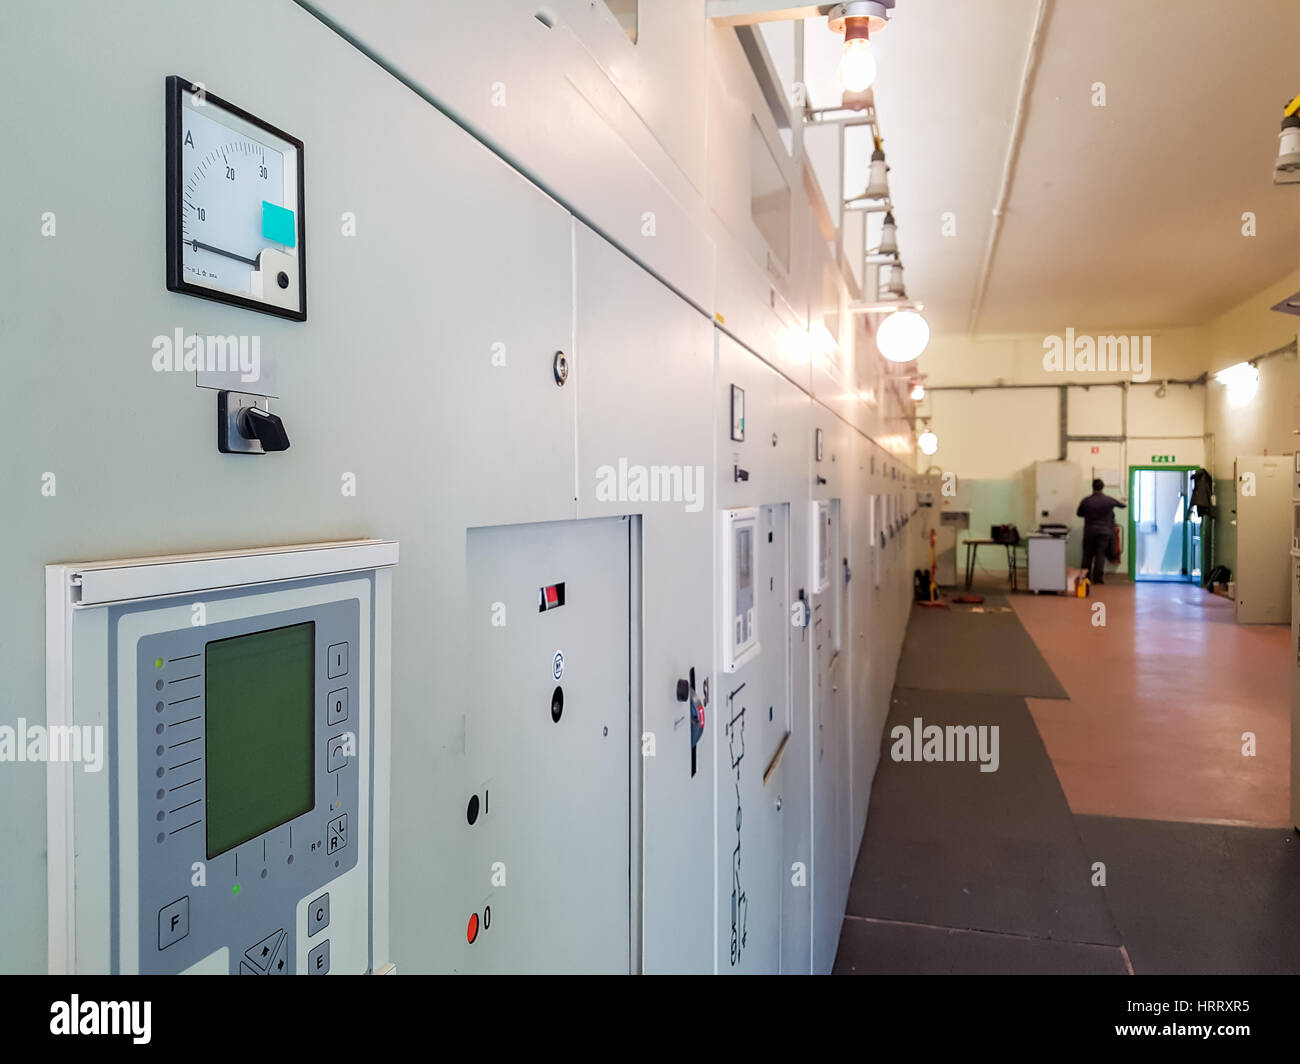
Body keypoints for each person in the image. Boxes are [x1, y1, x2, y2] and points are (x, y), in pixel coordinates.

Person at [1077, 478, 1126, 585]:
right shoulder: (1108, 500)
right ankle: (1098, 579)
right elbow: (1123, 505)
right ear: (1102, 487)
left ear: (1092, 487)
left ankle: (1085, 578)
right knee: (1100, 555)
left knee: (1087, 555)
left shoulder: (1086, 501)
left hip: (1089, 532)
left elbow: (1079, 514)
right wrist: (1118, 499)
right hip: (1104, 532)